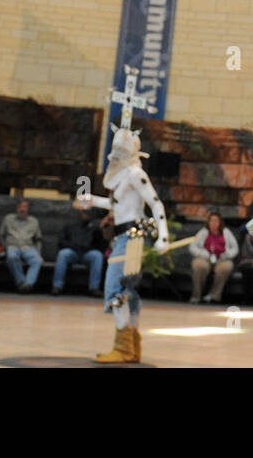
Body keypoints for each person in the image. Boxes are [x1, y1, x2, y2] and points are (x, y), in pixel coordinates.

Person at [79, 125, 171, 364]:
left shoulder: (135, 173)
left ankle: (123, 347)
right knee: (128, 290)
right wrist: (94, 201)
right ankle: (131, 347)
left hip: (131, 240)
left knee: (115, 287)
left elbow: (156, 204)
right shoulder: (125, 175)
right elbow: (121, 206)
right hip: (125, 238)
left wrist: (164, 236)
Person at [52, 206, 107, 297]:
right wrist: (73, 246)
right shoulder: (70, 225)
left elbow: (100, 245)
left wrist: (99, 231)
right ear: (80, 213)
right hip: (72, 252)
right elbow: (61, 241)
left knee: (97, 255)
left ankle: (94, 288)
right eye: (84, 213)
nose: (86, 215)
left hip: (87, 253)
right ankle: (57, 286)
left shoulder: (95, 228)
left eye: (89, 213)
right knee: (63, 254)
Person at [188, 212, 238, 304]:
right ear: (208, 222)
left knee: (226, 267)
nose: (214, 223)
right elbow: (192, 247)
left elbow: (235, 248)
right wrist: (202, 253)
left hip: (221, 259)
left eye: (216, 221)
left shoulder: (226, 232)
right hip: (205, 258)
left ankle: (214, 296)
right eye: (211, 221)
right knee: (199, 266)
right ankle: (196, 296)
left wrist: (227, 254)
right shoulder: (203, 232)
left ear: (220, 222)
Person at [0, 199, 44, 293]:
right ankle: (21, 282)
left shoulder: (34, 221)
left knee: (37, 260)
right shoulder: (8, 218)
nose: (22, 209)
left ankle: (28, 284)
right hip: (12, 246)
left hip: (28, 247)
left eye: (25, 207)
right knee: (11, 256)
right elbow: (1, 235)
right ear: (17, 208)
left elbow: (38, 239)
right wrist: (4, 248)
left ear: (28, 209)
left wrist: (39, 253)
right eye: (20, 207)